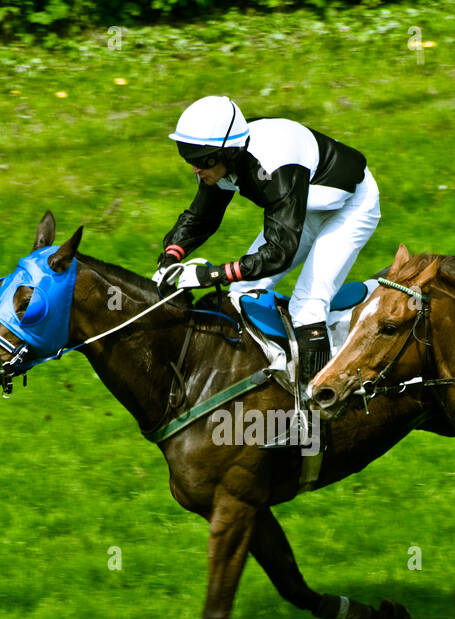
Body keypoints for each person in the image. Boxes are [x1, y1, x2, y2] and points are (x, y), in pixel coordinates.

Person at [153, 95, 381, 396]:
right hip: (304, 207)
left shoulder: (273, 165)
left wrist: (212, 276)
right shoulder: (223, 160)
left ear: (229, 153)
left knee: (307, 306)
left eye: (202, 161)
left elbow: (278, 254)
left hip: (350, 206)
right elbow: (201, 217)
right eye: (190, 160)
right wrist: (170, 257)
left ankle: (317, 407)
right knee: (241, 294)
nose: (196, 169)